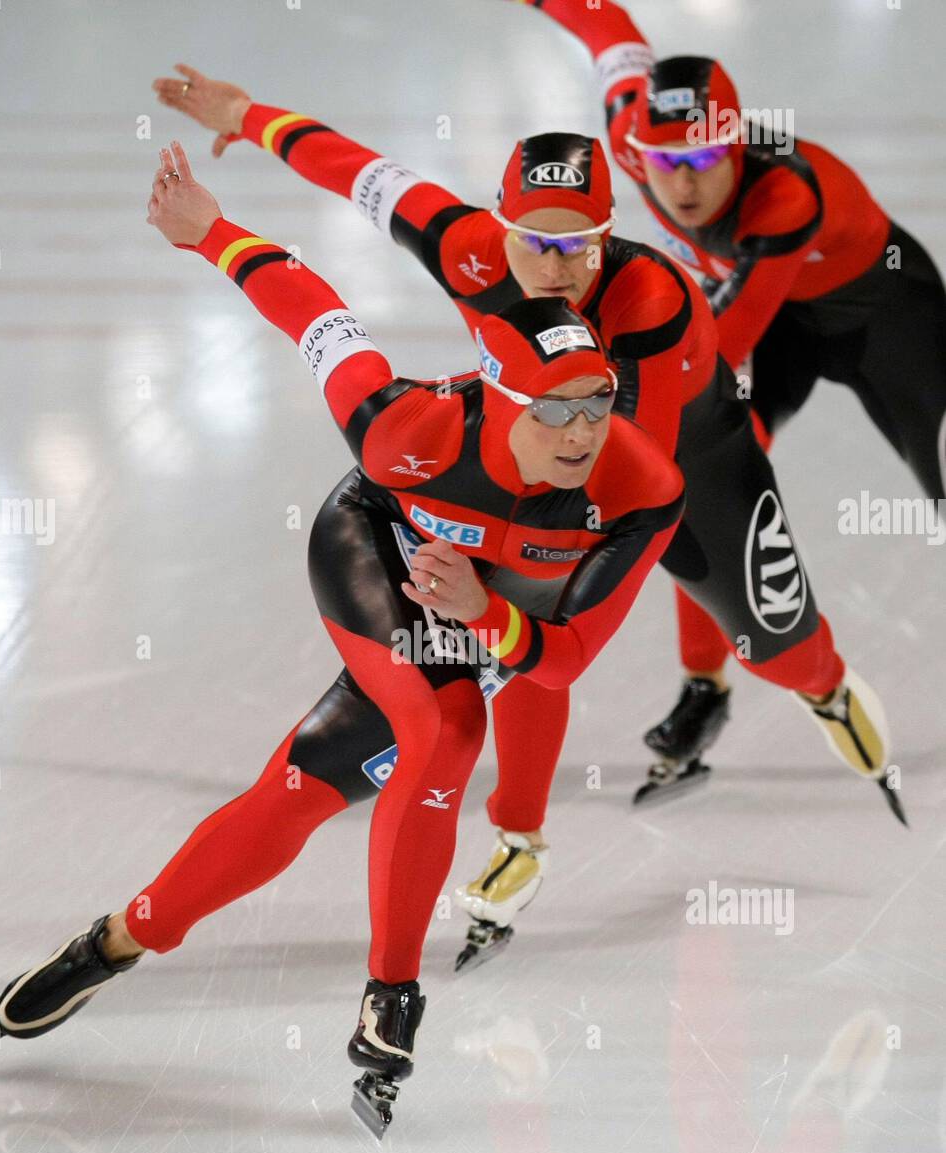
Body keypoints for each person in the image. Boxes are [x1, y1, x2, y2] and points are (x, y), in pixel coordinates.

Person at [0, 142, 685, 1136]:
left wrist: (485, 611)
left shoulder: (641, 487)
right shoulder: (408, 431)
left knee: (303, 788)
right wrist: (209, 230)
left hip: (466, 602)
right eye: (555, 409)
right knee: (439, 729)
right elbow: (320, 314)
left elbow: (560, 660)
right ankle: (392, 997)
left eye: (597, 404)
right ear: (502, 400)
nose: (583, 432)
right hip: (371, 548)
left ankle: (119, 939)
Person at [149, 68, 902, 963]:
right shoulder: (462, 242)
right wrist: (245, 116)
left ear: (608, 234)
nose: (555, 267)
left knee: (765, 645)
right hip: (556, 436)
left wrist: (507, 599)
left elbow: (635, 478)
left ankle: (819, 680)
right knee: (518, 621)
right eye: (534, 245)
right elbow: (357, 171)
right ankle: (520, 836)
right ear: (497, 229)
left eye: (579, 246)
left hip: (674, 455)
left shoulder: (648, 302)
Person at [513, 0, 946, 710]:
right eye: (664, 163)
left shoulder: (782, 195)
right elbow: (606, 27)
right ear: (634, 149)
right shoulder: (628, 126)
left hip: (880, 309)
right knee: (701, 470)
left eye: (705, 159)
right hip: (768, 310)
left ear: (738, 145)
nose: (681, 186)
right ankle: (703, 683)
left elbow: (730, 340)